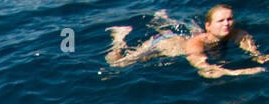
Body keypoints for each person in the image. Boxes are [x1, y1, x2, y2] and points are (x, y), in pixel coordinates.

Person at [106, 6, 267, 77]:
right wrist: (242, 72)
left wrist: (259, 56)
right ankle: (119, 38)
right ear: (208, 26)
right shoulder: (196, 44)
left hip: (189, 38)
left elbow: (255, 51)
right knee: (117, 64)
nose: (227, 23)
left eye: (230, 19)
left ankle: (162, 19)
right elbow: (205, 70)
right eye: (221, 21)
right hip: (165, 44)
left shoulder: (236, 33)